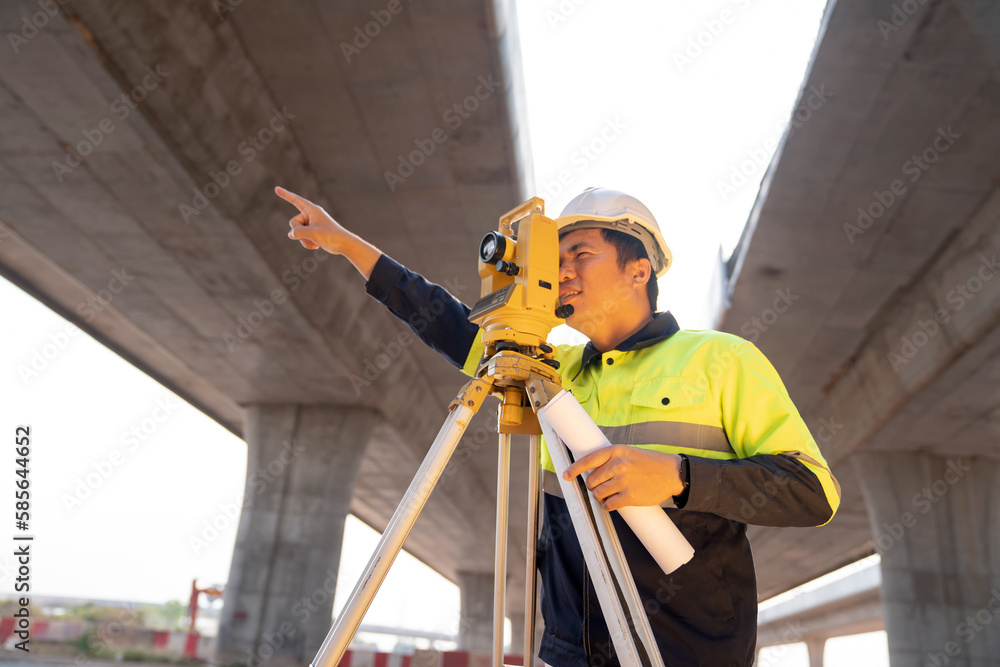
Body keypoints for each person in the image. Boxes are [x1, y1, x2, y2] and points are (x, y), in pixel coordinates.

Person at [275, 185, 841, 667]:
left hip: (686, 651)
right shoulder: (552, 369)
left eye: (581, 256)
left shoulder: (720, 360)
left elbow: (812, 492)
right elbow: (446, 321)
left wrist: (678, 476)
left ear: (637, 269)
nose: (561, 271)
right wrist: (348, 245)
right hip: (572, 652)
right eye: (555, 258)